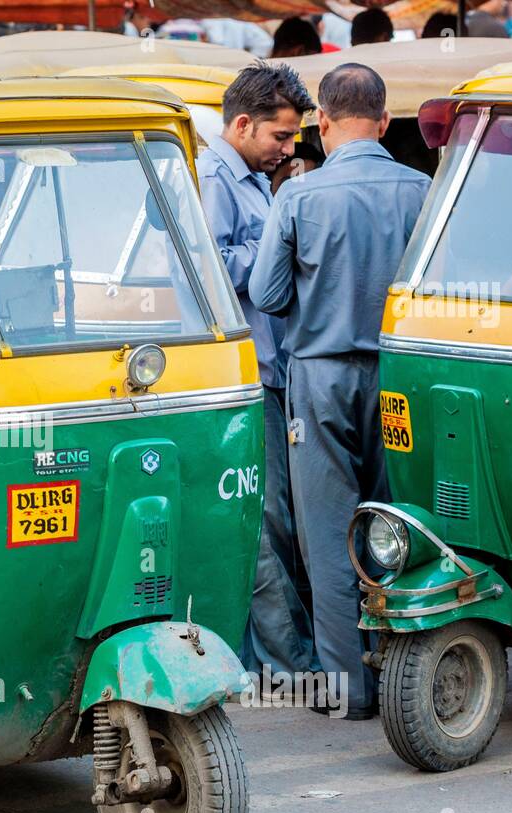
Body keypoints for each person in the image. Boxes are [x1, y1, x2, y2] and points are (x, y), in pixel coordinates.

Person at [249, 64, 430, 720]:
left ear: (321, 123)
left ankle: (349, 690)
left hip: (320, 379)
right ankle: (407, 671)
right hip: (398, 379)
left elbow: (268, 296)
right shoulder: (420, 190)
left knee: (328, 536)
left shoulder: (299, 197)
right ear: (383, 123)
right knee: (397, 525)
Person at [198, 63, 318, 686]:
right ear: (243, 125)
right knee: (267, 519)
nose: (288, 148)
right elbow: (209, 267)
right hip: (245, 373)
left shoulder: (256, 178)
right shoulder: (216, 178)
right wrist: (277, 248)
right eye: (280, 136)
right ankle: (285, 662)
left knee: (282, 514)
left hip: (273, 366)